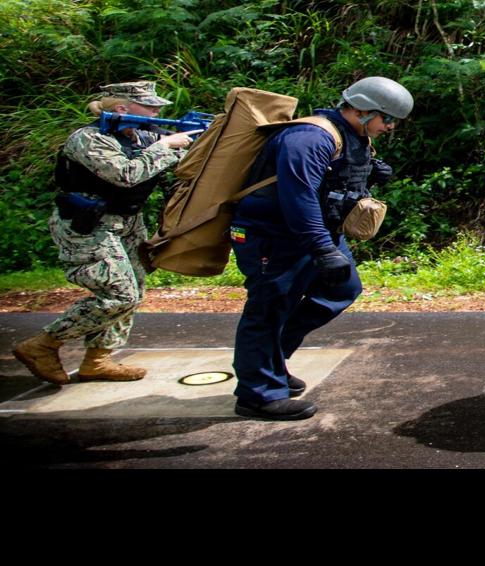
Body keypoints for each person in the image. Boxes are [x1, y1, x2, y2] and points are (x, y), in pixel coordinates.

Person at [226, 76, 409, 420]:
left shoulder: (354, 137)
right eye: (387, 118)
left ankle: (270, 363)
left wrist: (368, 174)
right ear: (362, 110)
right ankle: (258, 393)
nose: (390, 127)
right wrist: (323, 249)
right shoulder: (309, 137)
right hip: (274, 235)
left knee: (344, 288)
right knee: (269, 308)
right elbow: (299, 196)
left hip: (313, 233)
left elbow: (332, 184)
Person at [11, 81, 195, 385]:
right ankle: (43, 345)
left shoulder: (141, 135)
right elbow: (126, 174)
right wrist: (163, 148)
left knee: (134, 290)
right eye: (149, 106)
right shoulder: (88, 139)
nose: (157, 110)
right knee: (119, 295)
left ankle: (98, 360)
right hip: (89, 225)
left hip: (128, 224)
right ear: (121, 108)